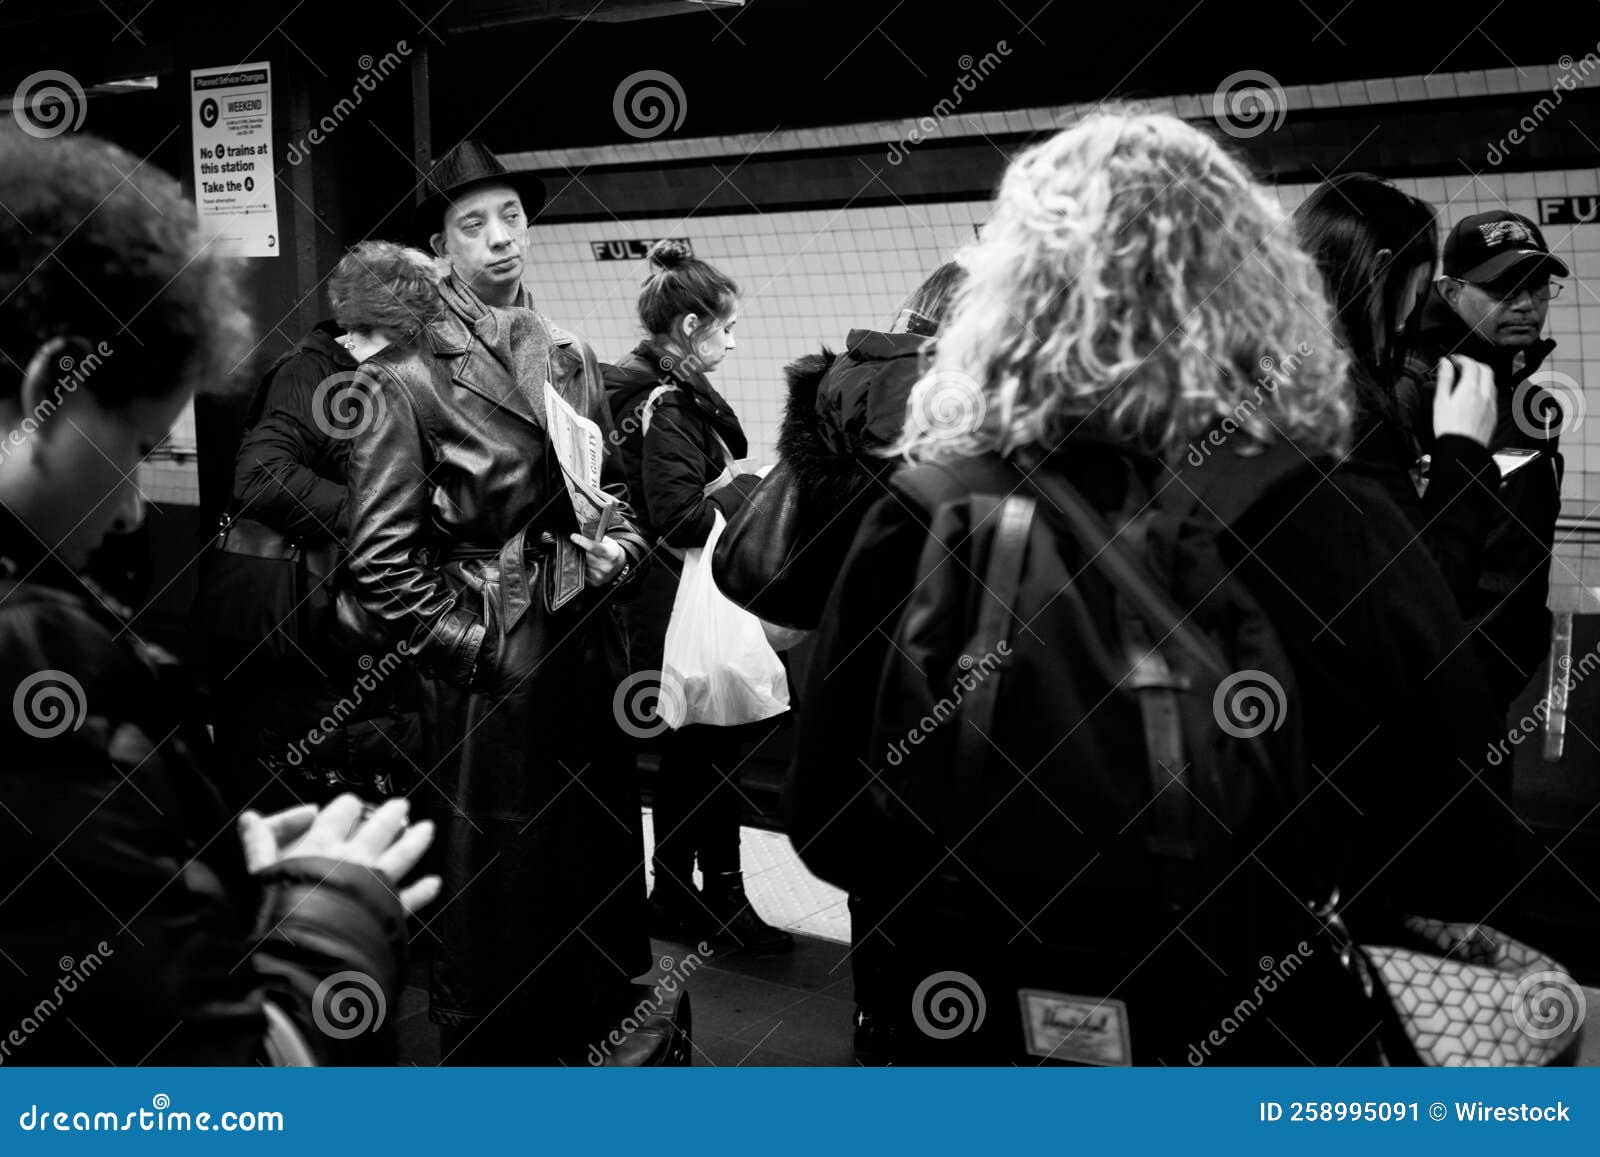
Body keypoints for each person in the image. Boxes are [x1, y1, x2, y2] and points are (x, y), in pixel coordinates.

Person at [786, 111, 1508, 1065]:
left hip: (979, 1027)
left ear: (1018, 294)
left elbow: (831, 824)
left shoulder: (927, 505)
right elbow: (1459, 837)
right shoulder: (1327, 511)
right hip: (1250, 1033)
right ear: (1252, 288)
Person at [0, 130, 438, 1065]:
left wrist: (201, 868)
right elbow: (190, 1089)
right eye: (139, 446)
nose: (126, 509)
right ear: (50, 385)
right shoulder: (31, 655)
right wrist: (333, 923)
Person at [344, 139, 653, 1063]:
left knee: (585, 870)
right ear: (440, 249)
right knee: (500, 890)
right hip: (490, 671)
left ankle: (587, 1040)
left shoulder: (568, 353)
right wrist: (475, 646)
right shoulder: (404, 376)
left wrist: (622, 552)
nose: (499, 238)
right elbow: (380, 563)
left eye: (511, 216)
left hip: (580, 644)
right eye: (472, 225)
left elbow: (614, 496)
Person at [605, 239, 791, 953]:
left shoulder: (639, 388)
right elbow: (679, 512)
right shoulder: (669, 403)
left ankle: (678, 896)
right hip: (675, 601)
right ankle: (720, 900)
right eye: (727, 327)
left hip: (656, 603)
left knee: (691, 756)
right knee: (710, 752)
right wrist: (751, 497)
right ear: (689, 328)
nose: (734, 342)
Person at [216, 241, 438, 808]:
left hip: (357, 643)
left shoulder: (380, 378)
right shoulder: (309, 373)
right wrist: (383, 514)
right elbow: (261, 476)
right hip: (311, 640)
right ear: (370, 324)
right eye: (409, 335)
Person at [1293, 174, 1502, 608]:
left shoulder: (1262, 373)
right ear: (1380, 270)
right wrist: (1462, 448)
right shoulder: (1342, 402)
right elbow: (1433, 588)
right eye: (1417, 288)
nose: (1407, 320)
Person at [1393, 210, 1570, 714]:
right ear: (1450, 293)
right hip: (1431, 696)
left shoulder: (1531, 407)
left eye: (1537, 288)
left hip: (1493, 688)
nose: (1526, 307)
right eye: (1501, 289)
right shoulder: (1416, 395)